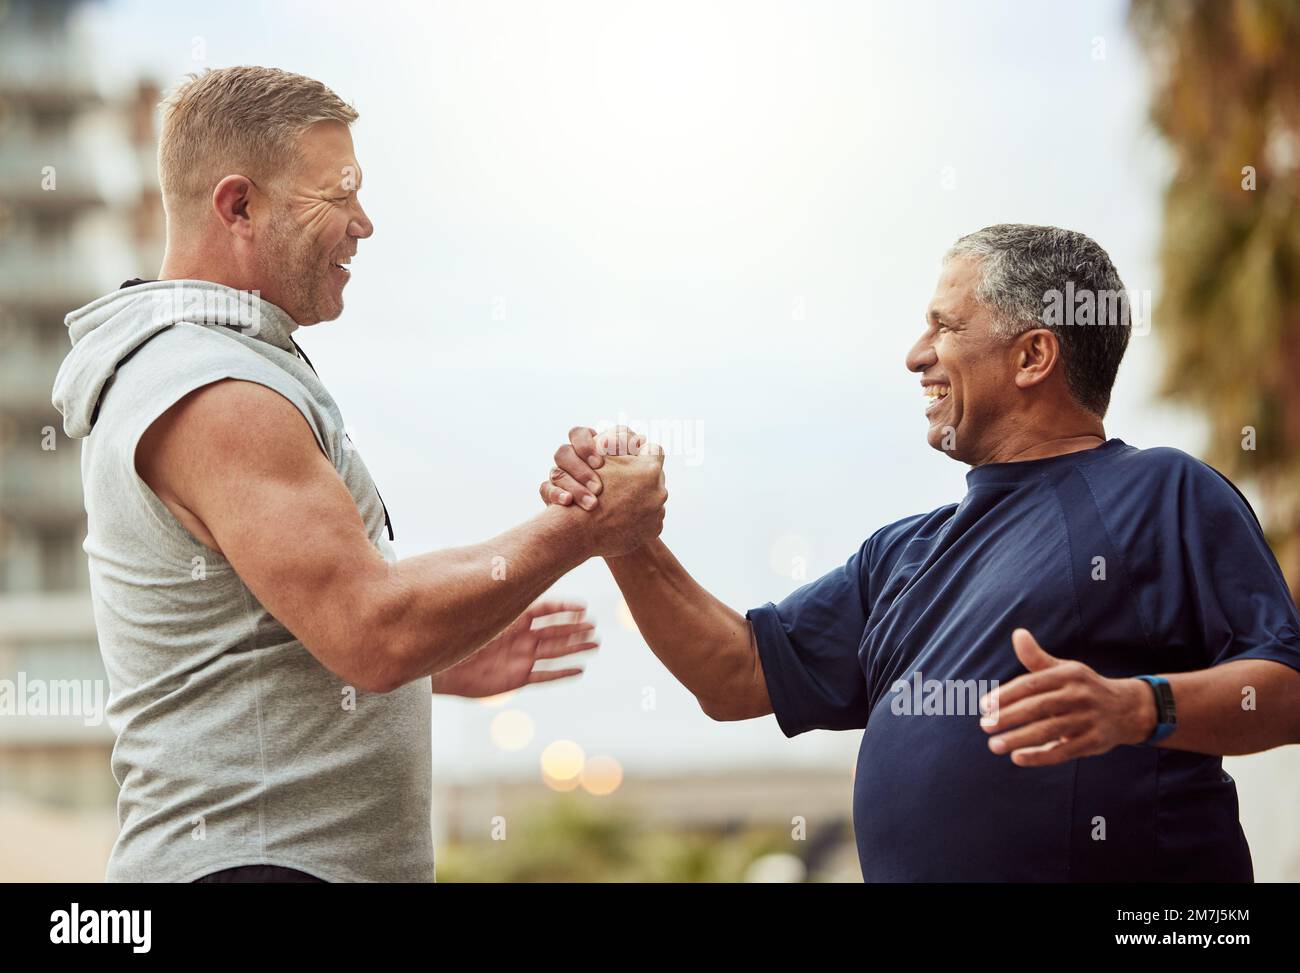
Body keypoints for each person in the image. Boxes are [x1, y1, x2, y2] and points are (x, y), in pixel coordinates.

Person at [51, 65, 667, 883]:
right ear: (239, 206)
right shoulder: (216, 393)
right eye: (337, 196)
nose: (364, 224)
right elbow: (373, 633)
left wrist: (438, 664)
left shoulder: (220, 368)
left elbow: (302, 625)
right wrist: (585, 526)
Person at [543, 224, 1300, 881]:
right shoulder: (903, 553)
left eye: (943, 327)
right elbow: (735, 675)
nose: (915, 355)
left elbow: (1287, 688)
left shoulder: (1162, 491)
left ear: (1034, 354)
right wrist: (626, 536)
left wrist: (1139, 706)